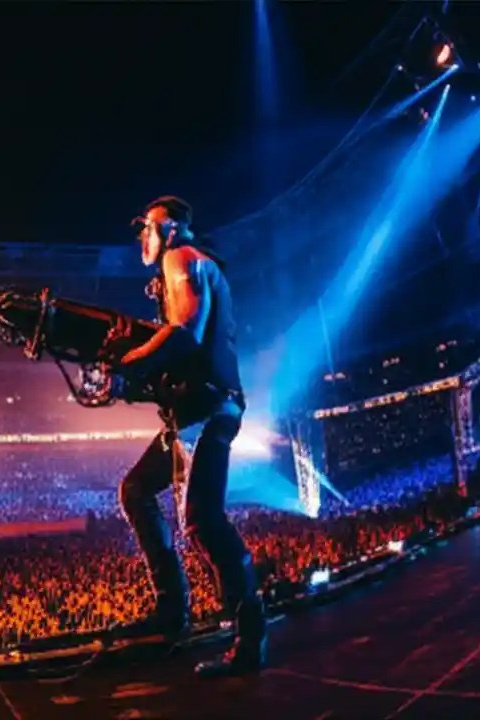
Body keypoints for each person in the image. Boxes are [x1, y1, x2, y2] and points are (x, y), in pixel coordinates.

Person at [112, 195, 267, 677]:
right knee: (135, 490)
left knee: (202, 520)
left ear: (171, 228)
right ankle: (172, 611)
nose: (144, 236)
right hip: (194, 412)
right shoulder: (182, 265)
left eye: (148, 227)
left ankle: (250, 638)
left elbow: (185, 334)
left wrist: (128, 362)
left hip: (208, 410)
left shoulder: (181, 258)